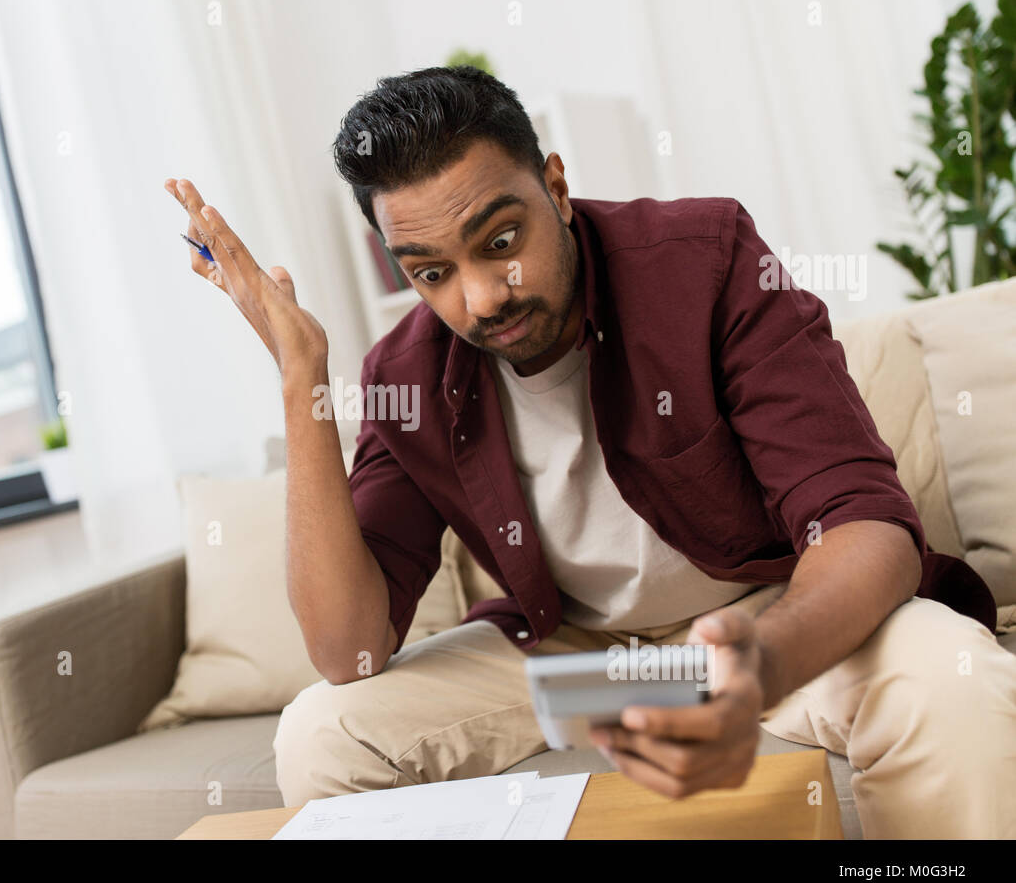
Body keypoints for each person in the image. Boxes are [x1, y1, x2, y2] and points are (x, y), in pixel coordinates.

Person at [164, 65, 1015, 838]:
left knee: (954, 678)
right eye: (430, 272)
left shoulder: (705, 260)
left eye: (501, 242)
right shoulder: (408, 373)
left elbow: (865, 523)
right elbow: (348, 648)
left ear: (557, 189)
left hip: (761, 616)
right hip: (578, 657)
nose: (482, 297)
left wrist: (760, 662)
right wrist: (301, 377)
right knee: (323, 730)